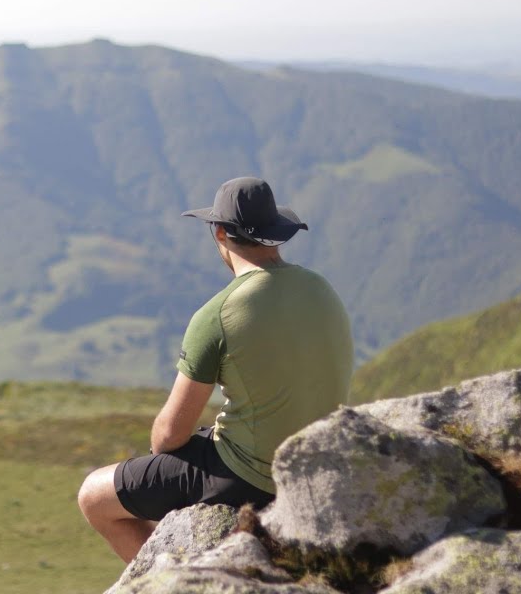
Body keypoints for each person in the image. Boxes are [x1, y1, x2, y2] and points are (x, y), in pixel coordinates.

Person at [76, 176, 354, 563]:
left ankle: (166, 582)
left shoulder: (218, 315)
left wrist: (159, 453)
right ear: (276, 233)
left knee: (94, 496)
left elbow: (169, 437)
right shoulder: (321, 288)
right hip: (319, 466)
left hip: (250, 479)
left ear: (220, 233)